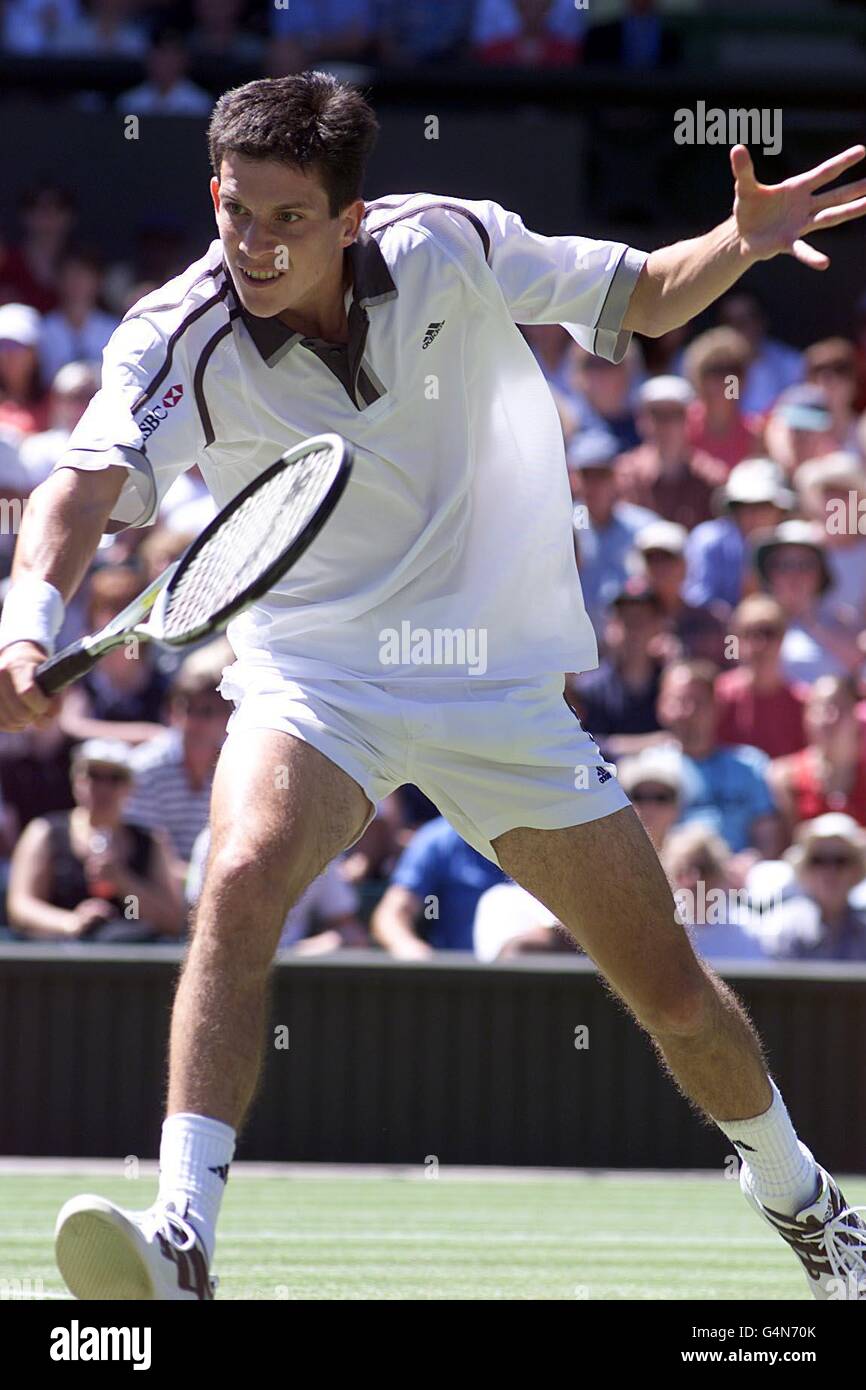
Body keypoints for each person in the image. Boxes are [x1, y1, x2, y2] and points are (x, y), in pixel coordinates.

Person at [3, 74, 866, 1300]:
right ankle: (183, 1235)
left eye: (286, 218)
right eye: (234, 211)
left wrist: (739, 239)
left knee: (669, 989)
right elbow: (79, 488)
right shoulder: (172, 335)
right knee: (239, 873)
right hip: (316, 674)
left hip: (491, 678)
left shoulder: (450, 242)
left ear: (350, 217)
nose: (252, 243)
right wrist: (27, 621)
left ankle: (805, 1201)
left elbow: (639, 294)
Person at [6, 737, 183, 941]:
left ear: (130, 786)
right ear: (76, 781)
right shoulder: (46, 832)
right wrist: (72, 922)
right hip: (61, 959)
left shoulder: (150, 842)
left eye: (115, 778)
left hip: (129, 962)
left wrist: (124, 883)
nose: (103, 788)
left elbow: (171, 920)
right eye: (93, 776)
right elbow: (20, 907)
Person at [123, 641, 231, 884]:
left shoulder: (236, 770)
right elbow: (142, 854)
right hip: (155, 890)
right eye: (185, 709)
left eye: (206, 712)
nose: (193, 722)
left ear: (226, 718)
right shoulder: (145, 768)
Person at [656, 659, 783, 860]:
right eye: (678, 701)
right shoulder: (649, 769)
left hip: (737, 879)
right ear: (661, 706)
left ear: (717, 707)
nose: (687, 712)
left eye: (697, 702)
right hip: (673, 876)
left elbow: (767, 837)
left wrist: (748, 863)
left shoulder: (750, 765)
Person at [371, 817, 508, 957]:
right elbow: (391, 913)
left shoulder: (527, 837)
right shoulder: (436, 840)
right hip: (455, 972)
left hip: (523, 969)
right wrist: (409, 948)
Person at [567, 429, 658, 630]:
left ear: (616, 476)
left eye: (602, 475)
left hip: (632, 638)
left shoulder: (643, 528)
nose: (594, 485)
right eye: (587, 475)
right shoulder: (565, 528)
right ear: (574, 478)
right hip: (576, 641)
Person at [752, 519, 862, 684]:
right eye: (784, 565)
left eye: (806, 565)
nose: (794, 574)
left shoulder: (843, 619)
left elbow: (857, 662)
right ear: (769, 573)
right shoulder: (749, 621)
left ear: (822, 573)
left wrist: (810, 619)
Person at [566, 577, 665, 760]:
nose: (634, 630)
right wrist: (653, 743)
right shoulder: (589, 689)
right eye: (626, 620)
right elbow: (584, 745)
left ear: (657, 626)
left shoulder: (671, 683)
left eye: (641, 620)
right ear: (611, 626)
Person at [615, 374, 728, 529]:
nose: (666, 425)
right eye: (657, 415)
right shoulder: (627, 475)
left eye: (675, 415)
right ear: (642, 421)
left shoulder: (711, 476)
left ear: (689, 419)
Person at [684, 457, 794, 612]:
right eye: (743, 506)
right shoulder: (709, 541)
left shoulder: (795, 547)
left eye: (763, 506)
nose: (754, 516)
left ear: (780, 510)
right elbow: (698, 604)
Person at [759, 814, 866, 962]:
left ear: (857, 869)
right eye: (818, 860)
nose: (830, 871)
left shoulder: (862, 927)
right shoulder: (783, 927)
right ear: (805, 868)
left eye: (841, 861)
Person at [768, 675, 866, 834]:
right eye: (820, 708)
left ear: (856, 716)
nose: (829, 718)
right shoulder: (784, 778)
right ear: (805, 717)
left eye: (840, 707)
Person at [714, 595, 806, 760]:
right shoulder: (718, 696)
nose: (759, 644)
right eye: (750, 633)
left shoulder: (803, 702)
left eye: (768, 632)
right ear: (737, 640)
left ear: (783, 637)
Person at [633, 520, 729, 666]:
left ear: (685, 564)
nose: (660, 568)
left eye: (668, 559)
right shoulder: (627, 620)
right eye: (652, 559)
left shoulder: (710, 621)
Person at [683, 327, 764, 471]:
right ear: (698, 377)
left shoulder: (756, 434)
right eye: (715, 370)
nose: (726, 379)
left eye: (732, 369)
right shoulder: (682, 425)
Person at [717, 291, 803, 417]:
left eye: (746, 320)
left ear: (761, 320)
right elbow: (728, 409)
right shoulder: (720, 368)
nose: (740, 328)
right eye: (732, 322)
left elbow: (796, 411)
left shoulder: (789, 363)